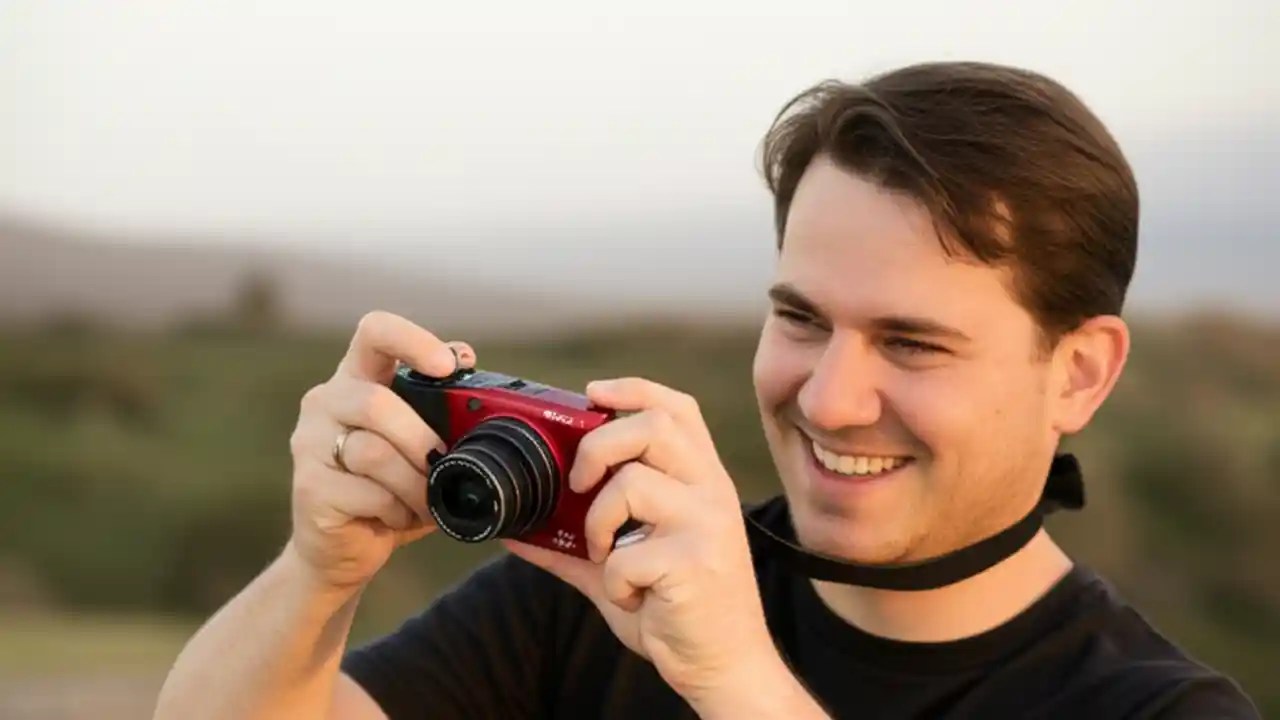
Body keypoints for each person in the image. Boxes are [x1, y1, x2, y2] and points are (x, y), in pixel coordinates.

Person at [152, 61, 1260, 719]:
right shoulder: (598, 596)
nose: (828, 399)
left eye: (912, 343)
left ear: (1078, 372)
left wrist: (735, 677)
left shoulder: (1155, 710)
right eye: (800, 319)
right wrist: (316, 573)